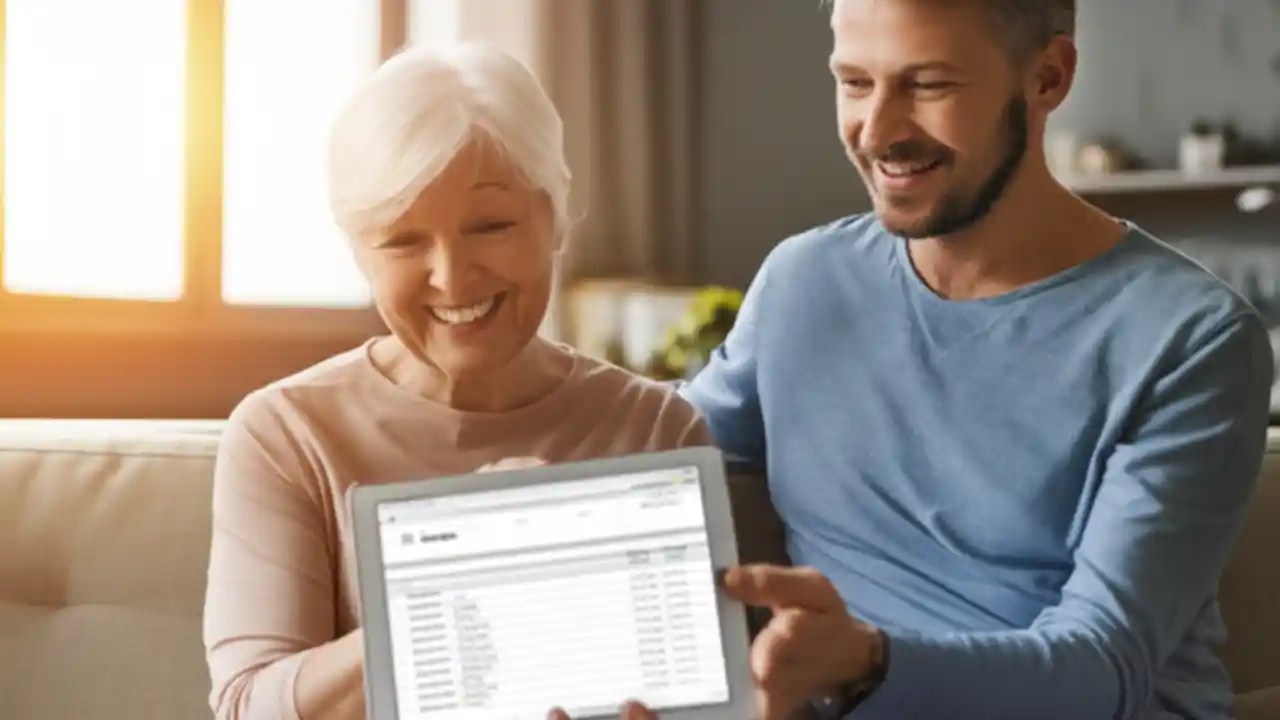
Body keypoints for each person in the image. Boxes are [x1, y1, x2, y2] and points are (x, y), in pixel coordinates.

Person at [572, 0, 1272, 719]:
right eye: (854, 82)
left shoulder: (1192, 340)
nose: (877, 131)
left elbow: (1102, 669)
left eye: (929, 84)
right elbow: (656, 451)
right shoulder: (805, 282)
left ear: (1048, 78)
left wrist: (866, 662)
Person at [202, 44, 710, 720]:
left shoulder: (656, 428)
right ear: (359, 253)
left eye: (490, 226)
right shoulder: (286, 433)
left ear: (554, 217)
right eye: (403, 240)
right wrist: (462, 565)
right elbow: (248, 706)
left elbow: (695, 698)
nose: (451, 276)